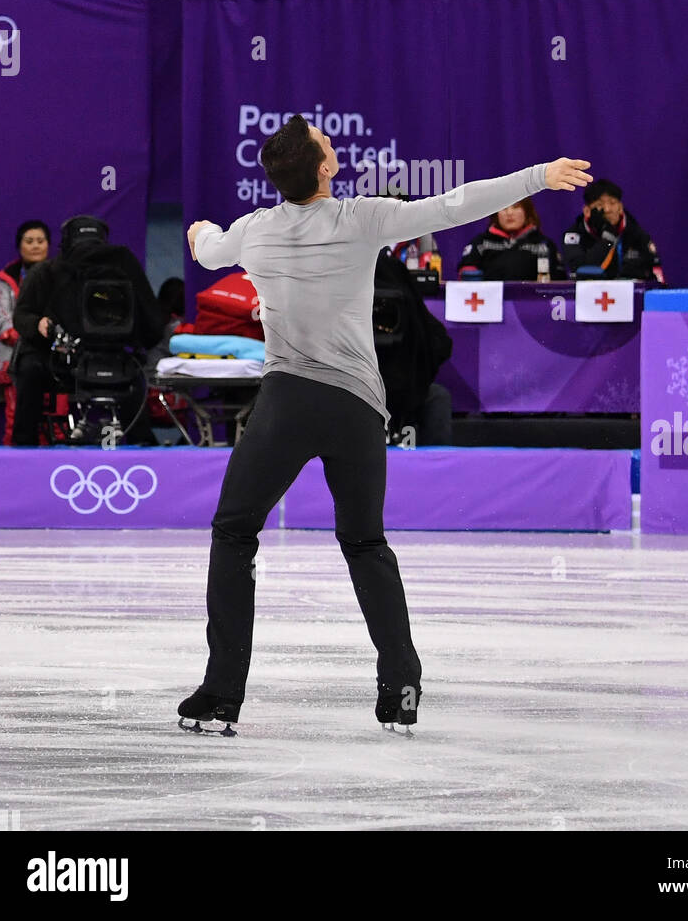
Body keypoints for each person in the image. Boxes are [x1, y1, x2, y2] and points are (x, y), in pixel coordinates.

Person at [179, 115, 592, 735]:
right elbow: (456, 205)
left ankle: (220, 694)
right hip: (355, 408)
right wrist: (538, 176)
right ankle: (400, 685)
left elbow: (208, 251)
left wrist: (202, 228)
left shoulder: (253, 231)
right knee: (365, 542)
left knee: (235, 534)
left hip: (288, 402)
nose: (332, 143)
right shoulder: (361, 218)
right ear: (322, 167)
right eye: (325, 141)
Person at [11, 214, 164, 445]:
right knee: (30, 367)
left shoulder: (123, 268)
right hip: (60, 360)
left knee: (134, 375)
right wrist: (37, 324)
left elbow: (151, 324)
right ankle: (22, 448)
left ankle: (144, 447)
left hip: (114, 357)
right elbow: (21, 315)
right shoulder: (46, 273)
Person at [373, 246, 453, 445]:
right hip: (381, 389)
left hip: (352, 388)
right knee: (436, 396)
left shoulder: (333, 272)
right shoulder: (393, 270)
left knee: (436, 398)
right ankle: (437, 473)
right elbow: (439, 343)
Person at [0, 219, 51, 445]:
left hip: (54, 359)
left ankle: (55, 469)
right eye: (29, 241)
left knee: (56, 419)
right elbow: (0, 321)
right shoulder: (7, 281)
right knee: (17, 419)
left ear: (49, 245)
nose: (35, 246)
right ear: (19, 246)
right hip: (16, 359)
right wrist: (30, 339)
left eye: (40, 241)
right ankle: (16, 469)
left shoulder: (59, 276)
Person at [561, 179, 664, 281]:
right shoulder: (574, 235)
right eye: (599, 204)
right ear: (587, 211)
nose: (607, 209)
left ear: (620, 207)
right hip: (590, 294)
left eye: (612, 202)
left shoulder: (637, 234)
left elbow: (655, 273)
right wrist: (607, 238)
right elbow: (580, 268)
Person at [459, 197, 565, 281]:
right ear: (495, 214)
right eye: (504, 208)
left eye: (516, 206)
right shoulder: (480, 243)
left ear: (527, 212)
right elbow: (466, 276)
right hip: (490, 304)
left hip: (531, 305)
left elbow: (559, 282)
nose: (509, 213)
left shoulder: (544, 244)